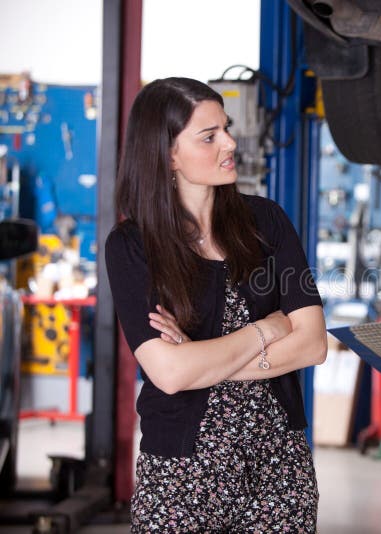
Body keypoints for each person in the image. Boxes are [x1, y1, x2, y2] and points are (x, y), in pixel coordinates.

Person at [105, 77, 327, 533]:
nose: (230, 143)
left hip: (278, 469)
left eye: (225, 128)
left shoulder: (267, 221)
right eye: (209, 136)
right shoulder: (132, 246)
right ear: (167, 154)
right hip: (180, 476)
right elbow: (169, 374)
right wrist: (265, 330)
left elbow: (312, 345)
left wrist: (200, 359)